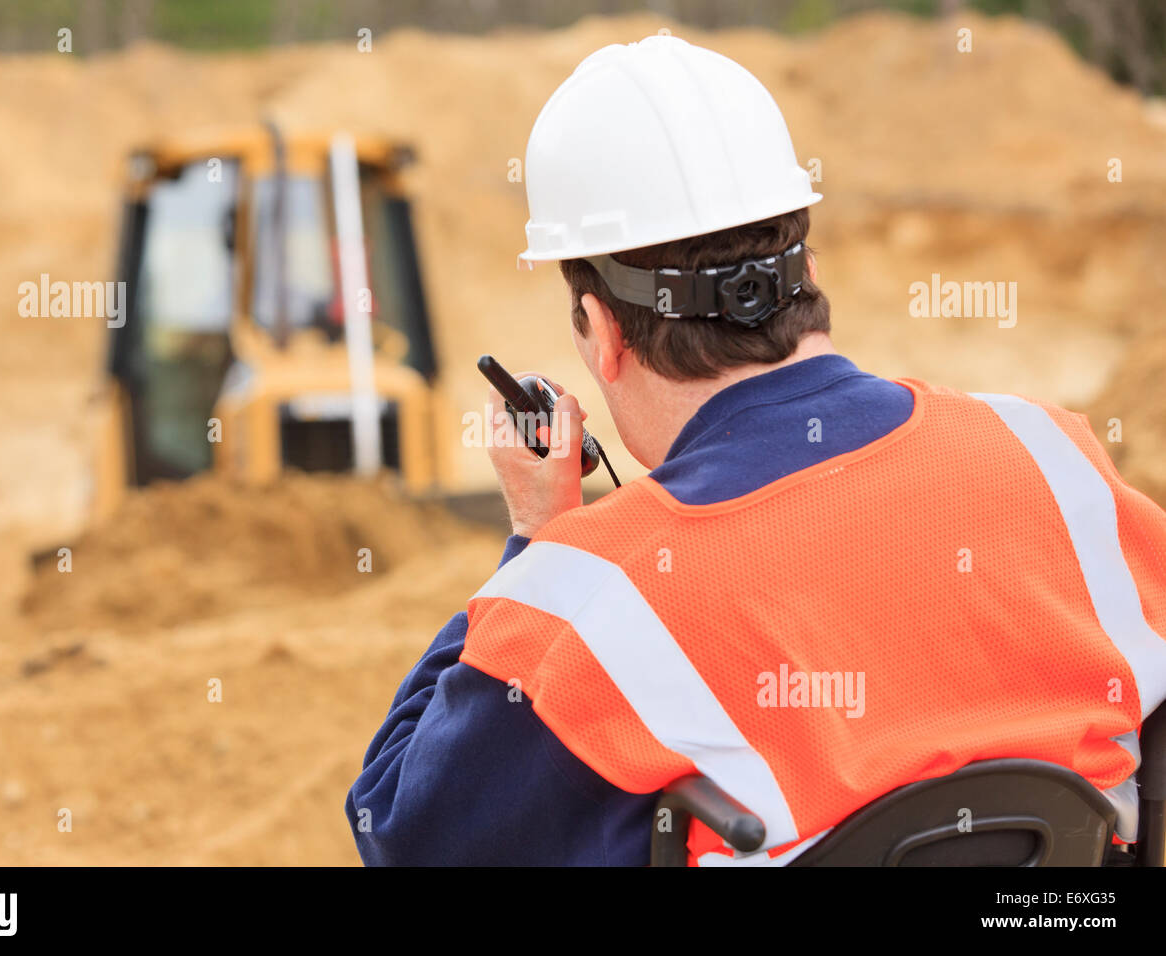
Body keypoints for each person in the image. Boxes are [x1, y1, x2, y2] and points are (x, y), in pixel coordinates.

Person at [346, 34, 1166, 865]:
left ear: (601, 333)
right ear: (809, 267)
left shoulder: (595, 597)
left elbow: (404, 830)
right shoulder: (1055, 458)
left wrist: (538, 538)